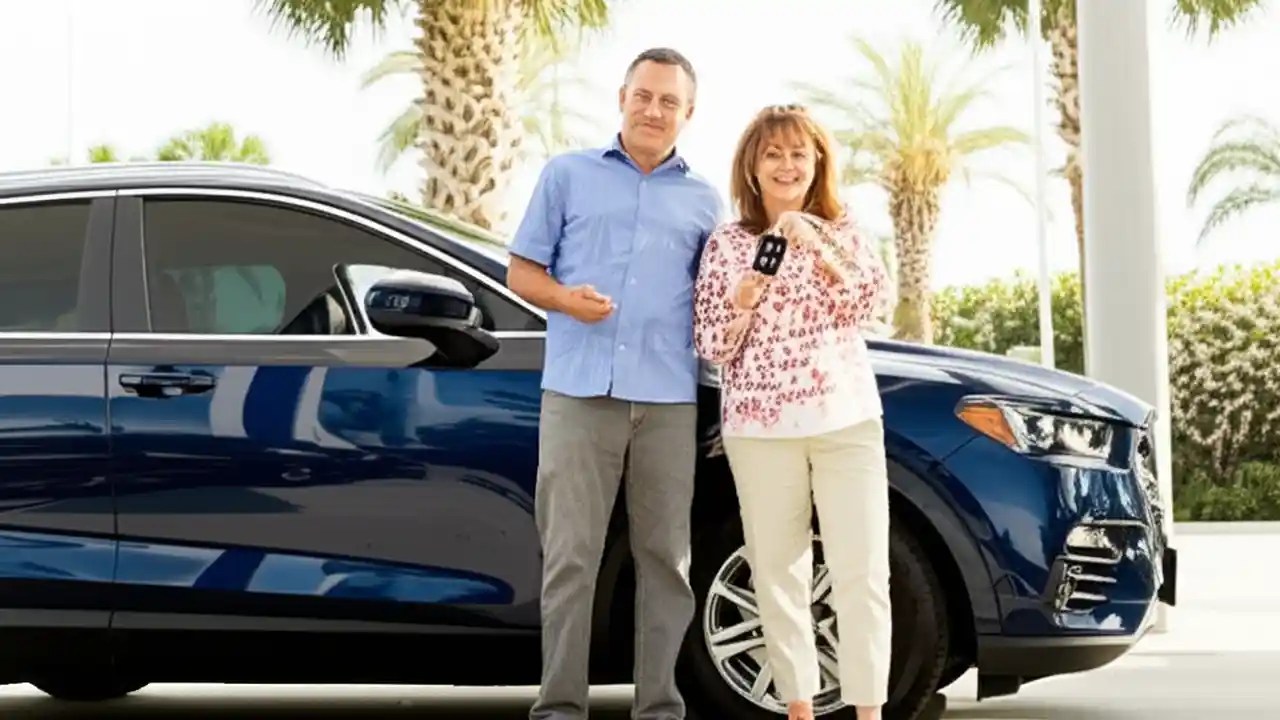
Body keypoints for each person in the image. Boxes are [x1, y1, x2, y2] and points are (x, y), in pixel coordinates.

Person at [505, 47, 723, 720]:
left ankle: (658, 706)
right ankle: (560, 706)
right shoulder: (567, 175)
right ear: (621, 97)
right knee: (572, 557)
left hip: (667, 402)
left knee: (665, 560)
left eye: (669, 102)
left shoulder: (706, 201)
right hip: (578, 394)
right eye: (644, 95)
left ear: (688, 114)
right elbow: (521, 274)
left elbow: (714, 305)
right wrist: (568, 300)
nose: (653, 110)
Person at [692, 104, 893, 720]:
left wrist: (820, 247)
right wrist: (745, 298)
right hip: (761, 429)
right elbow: (711, 344)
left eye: (797, 153)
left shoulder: (846, 228)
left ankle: (868, 711)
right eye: (772, 154)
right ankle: (799, 710)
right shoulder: (728, 244)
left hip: (846, 422)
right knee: (779, 575)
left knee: (863, 572)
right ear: (752, 167)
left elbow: (873, 304)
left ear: (817, 163)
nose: (786, 165)